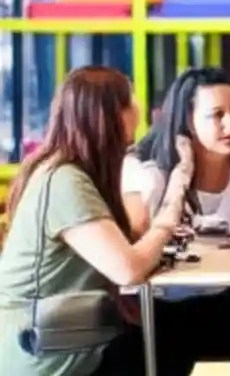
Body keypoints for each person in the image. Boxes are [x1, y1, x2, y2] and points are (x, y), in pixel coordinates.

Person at [0, 66, 192, 376]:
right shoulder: (63, 181)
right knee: (175, 335)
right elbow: (128, 269)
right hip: (42, 357)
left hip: (66, 341)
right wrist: (167, 222)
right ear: (111, 115)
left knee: (174, 331)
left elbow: (129, 237)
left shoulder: (71, 172)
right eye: (131, 99)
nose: (138, 108)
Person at [123, 67, 230, 375]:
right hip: (163, 308)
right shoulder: (145, 169)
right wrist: (181, 177)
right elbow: (134, 247)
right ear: (187, 121)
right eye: (217, 115)